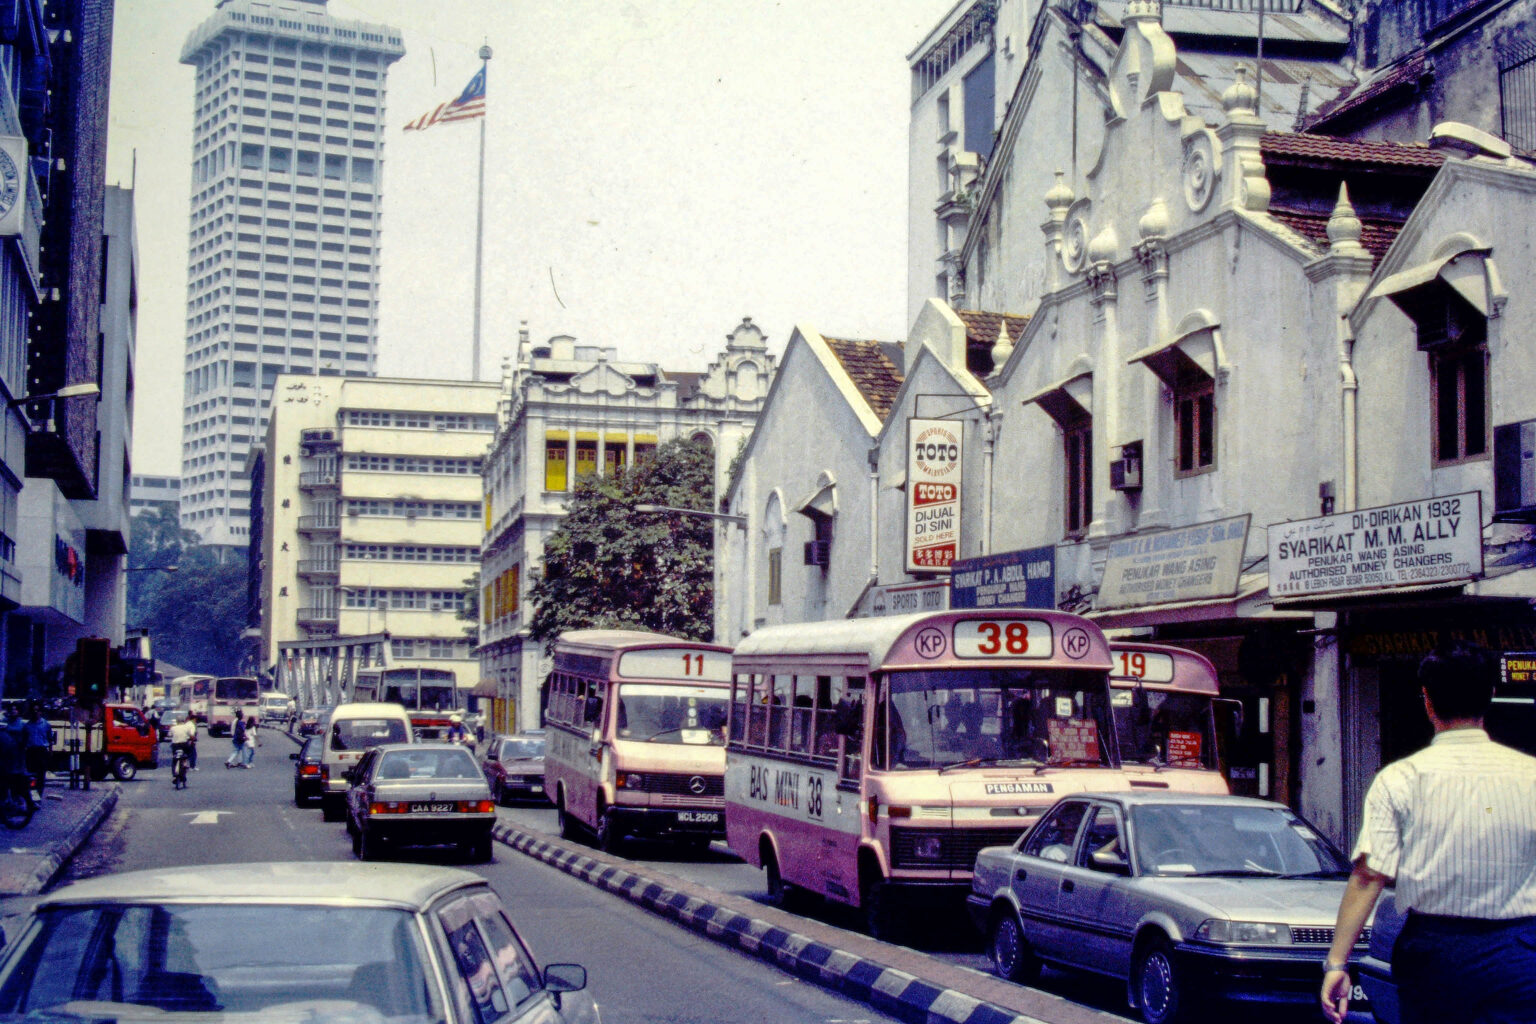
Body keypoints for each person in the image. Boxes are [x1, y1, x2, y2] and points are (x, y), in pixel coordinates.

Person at [1320, 641, 1536, 1024]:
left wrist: (1337, 962)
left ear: (1427, 700)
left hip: (1435, 953)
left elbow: (1369, 876)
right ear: (1491, 695)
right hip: (1520, 951)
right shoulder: (1530, 775)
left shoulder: (1399, 780)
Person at [23, 703, 51, 792]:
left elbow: (50, 739)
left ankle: (39, 794)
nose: (36, 713)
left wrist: (50, 752)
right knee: (30, 774)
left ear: (40, 712)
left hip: (41, 751)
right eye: (33, 710)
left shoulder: (46, 724)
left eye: (37, 710)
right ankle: (31, 793)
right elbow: (24, 740)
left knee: (41, 775)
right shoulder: (27, 725)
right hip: (31, 751)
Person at [168, 713, 196, 785]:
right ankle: (185, 765)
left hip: (175, 746)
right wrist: (193, 739)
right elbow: (191, 736)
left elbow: (169, 735)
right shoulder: (186, 727)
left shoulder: (173, 728)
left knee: (174, 759)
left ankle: (174, 775)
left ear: (177, 721)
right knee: (186, 756)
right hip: (184, 745)